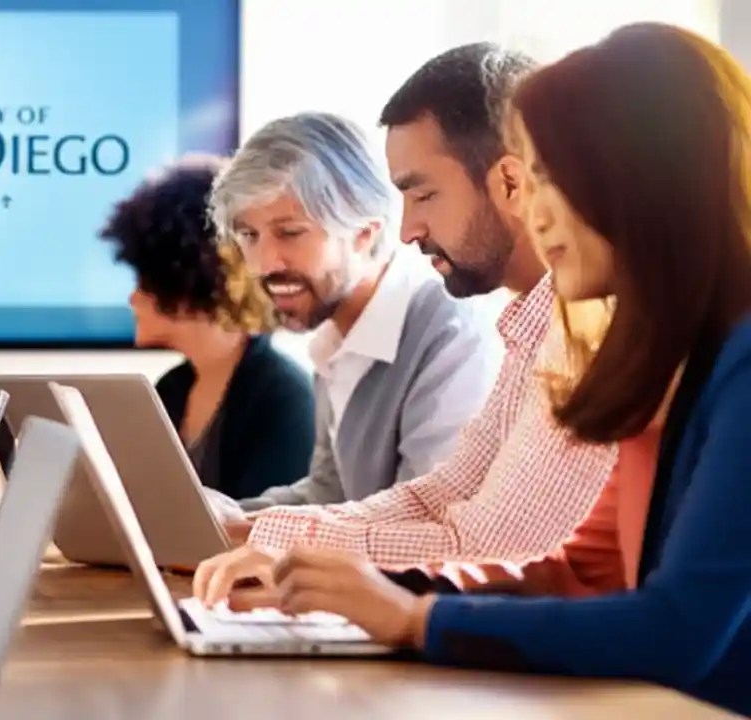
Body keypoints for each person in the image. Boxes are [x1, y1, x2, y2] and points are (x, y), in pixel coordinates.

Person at [201, 23, 751, 716]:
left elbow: (678, 629)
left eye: (551, 180)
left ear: (646, 183)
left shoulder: (739, 361)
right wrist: (361, 589)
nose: (535, 213)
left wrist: (413, 619)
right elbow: (577, 571)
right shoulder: (669, 354)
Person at [194, 44, 617, 570]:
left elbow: (487, 548)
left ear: (511, 183)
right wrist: (253, 529)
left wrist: (271, 540)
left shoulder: (573, 334)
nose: (407, 230)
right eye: (249, 236)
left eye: (423, 196)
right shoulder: (530, 325)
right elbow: (439, 493)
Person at [207, 112, 499, 515]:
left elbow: (422, 516)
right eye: (249, 235)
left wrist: (244, 528)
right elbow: (330, 494)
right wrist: (217, 517)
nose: (264, 263)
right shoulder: (334, 340)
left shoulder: (451, 334)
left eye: (290, 233)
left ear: (364, 233)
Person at [99, 155, 314, 500]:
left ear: (183, 281)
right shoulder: (172, 389)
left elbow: (265, 525)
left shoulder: (283, 397)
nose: (133, 297)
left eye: (144, 278)